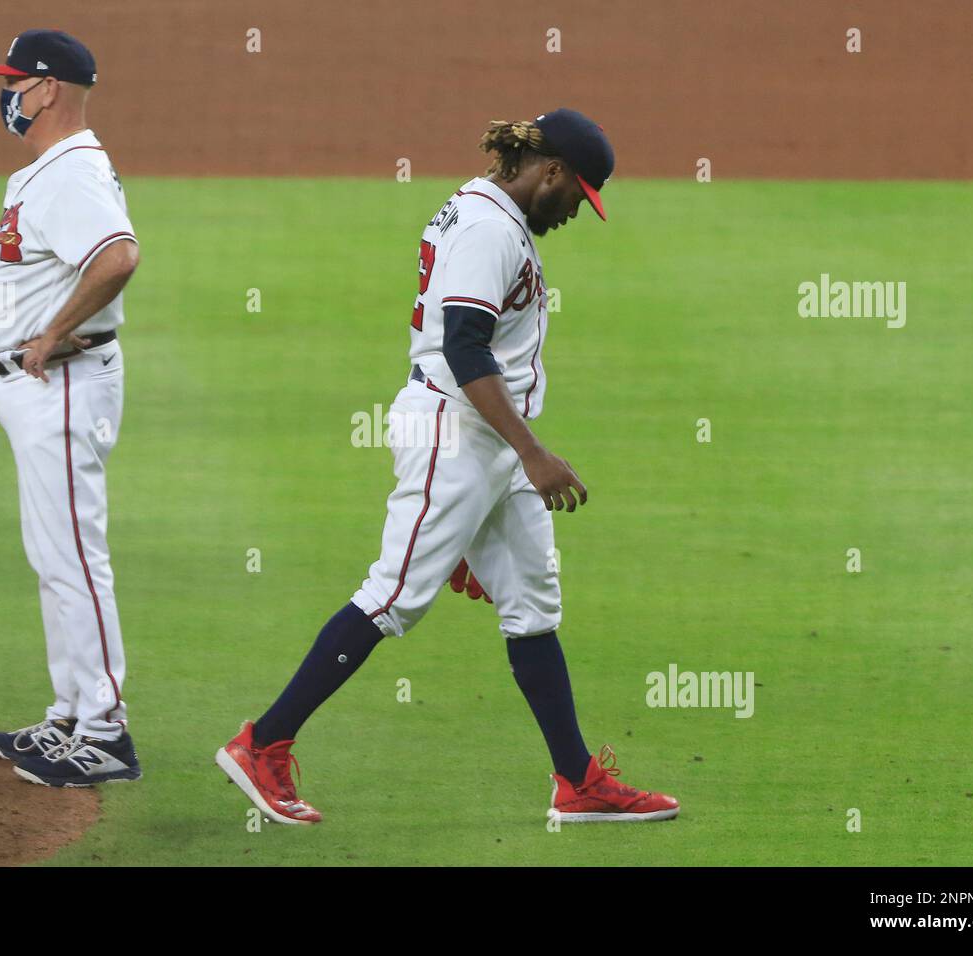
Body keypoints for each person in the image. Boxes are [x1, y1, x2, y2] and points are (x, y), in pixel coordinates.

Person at [217, 110, 680, 825]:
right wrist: (533, 455)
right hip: (458, 433)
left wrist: (495, 492)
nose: (575, 214)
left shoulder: (487, 209)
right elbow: (465, 350)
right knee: (393, 594)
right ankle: (262, 742)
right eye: (576, 196)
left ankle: (577, 781)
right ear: (549, 172)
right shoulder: (490, 229)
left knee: (531, 604)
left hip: (489, 440)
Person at [0, 30, 141, 787]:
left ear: (48, 89)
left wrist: (51, 333)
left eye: (14, 81)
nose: (6, 93)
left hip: (63, 383)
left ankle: (106, 733)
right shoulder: (47, 171)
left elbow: (118, 257)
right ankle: (71, 714)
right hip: (39, 388)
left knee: (74, 557)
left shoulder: (73, 173)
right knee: (54, 560)